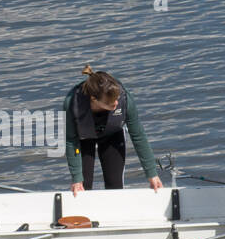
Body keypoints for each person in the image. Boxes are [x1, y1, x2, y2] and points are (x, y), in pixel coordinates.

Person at [64, 66, 163, 195]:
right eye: (110, 102)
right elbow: (71, 141)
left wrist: (152, 174)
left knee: (115, 186)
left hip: (112, 134)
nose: (116, 103)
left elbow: (138, 136)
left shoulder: (125, 100)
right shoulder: (72, 102)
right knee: (83, 186)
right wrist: (77, 179)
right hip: (83, 138)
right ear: (93, 99)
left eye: (116, 98)